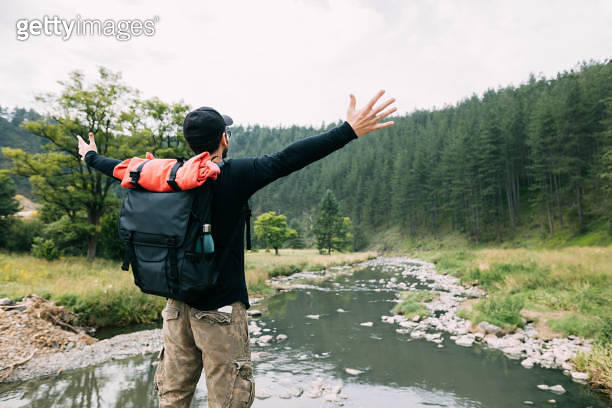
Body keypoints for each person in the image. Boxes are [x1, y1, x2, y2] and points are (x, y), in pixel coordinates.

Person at [77, 90, 396, 407]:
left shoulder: (165, 177)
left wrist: (90, 156)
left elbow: (116, 168)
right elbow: (288, 159)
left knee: (172, 396)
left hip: (176, 306)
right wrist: (348, 130)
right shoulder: (234, 176)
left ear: (191, 143)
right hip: (221, 310)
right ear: (223, 139)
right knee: (229, 399)